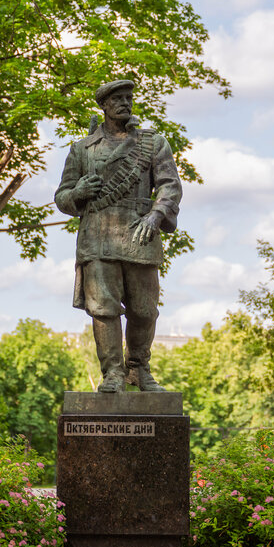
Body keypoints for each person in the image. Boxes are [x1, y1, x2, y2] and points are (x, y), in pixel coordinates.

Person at [55, 79, 182, 392]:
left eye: (129, 97)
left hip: (140, 234)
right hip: (98, 239)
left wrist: (156, 215)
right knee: (104, 309)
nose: (126, 103)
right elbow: (62, 197)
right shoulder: (81, 149)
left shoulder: (153, 143)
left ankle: (138, 369)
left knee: (144, 310)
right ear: (105, 106)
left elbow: (170, 185)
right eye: (119, 99)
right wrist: (79, 192)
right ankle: (113, 372)